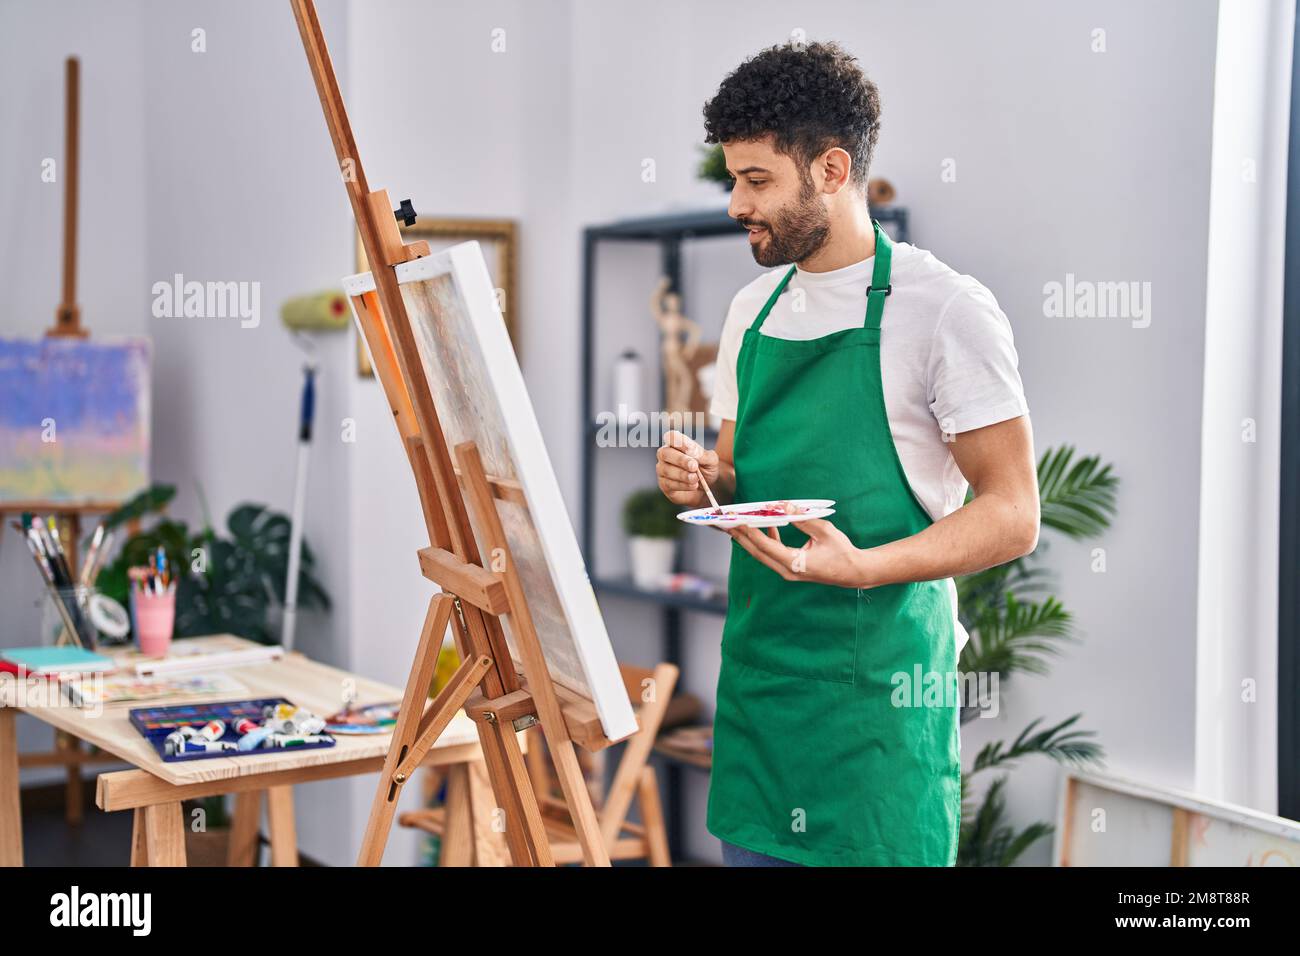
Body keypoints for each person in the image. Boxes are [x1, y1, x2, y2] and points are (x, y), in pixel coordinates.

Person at [655, 40, 1040, 867]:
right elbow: (734, 472)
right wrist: (694, 477)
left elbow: (1013, 514)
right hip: (764, 692)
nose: (734, 204)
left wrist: (863, 567)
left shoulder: (944, 311)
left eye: (757, 180)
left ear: (831, 170)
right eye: (733, 179)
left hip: (877, 710)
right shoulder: (751, 309)